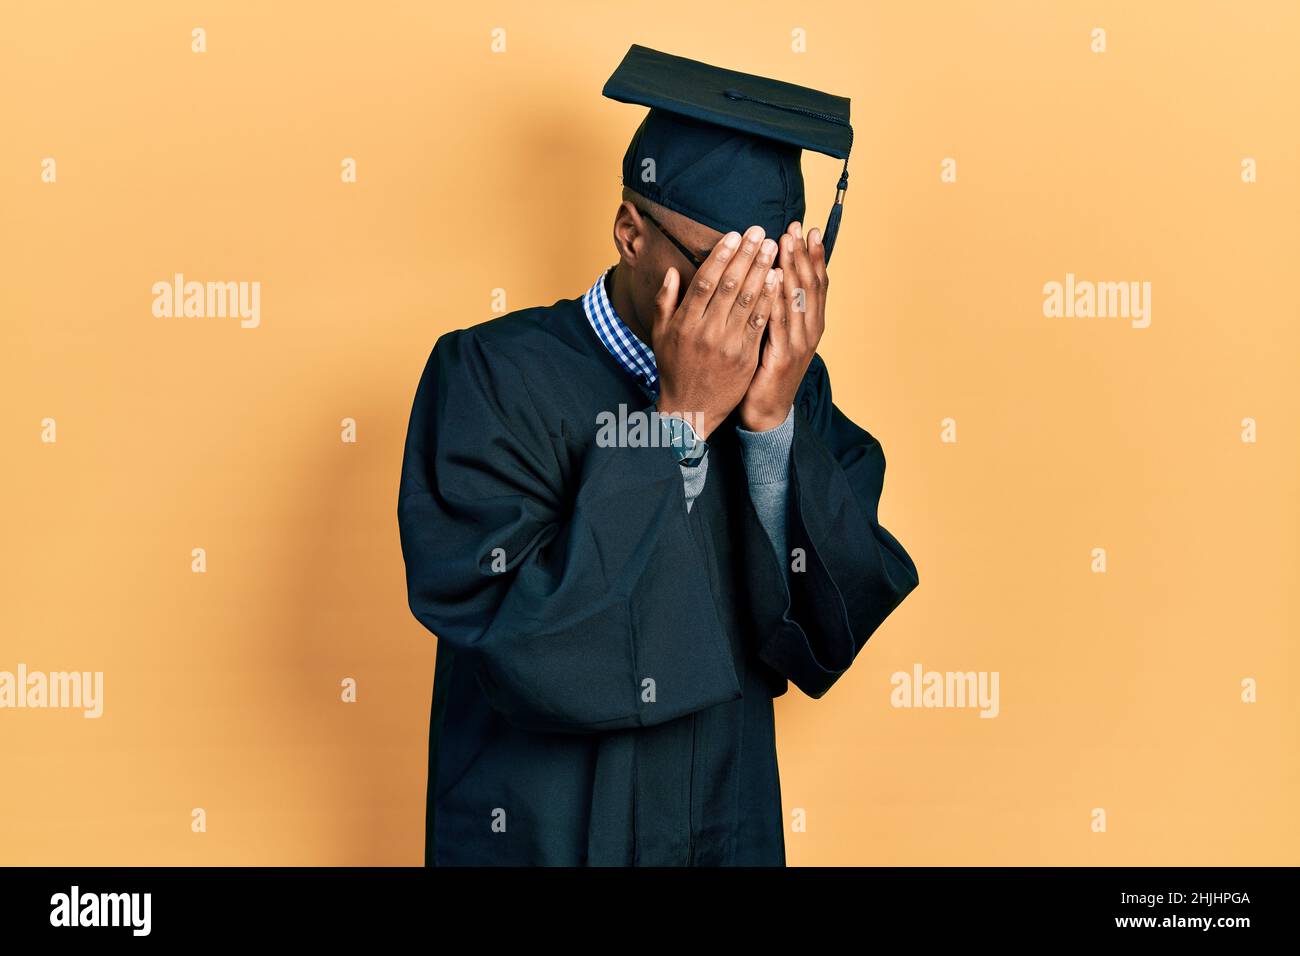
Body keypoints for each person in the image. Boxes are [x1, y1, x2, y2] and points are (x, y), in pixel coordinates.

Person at [396, 44, 919, 866]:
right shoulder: (490, 375)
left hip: (722, 825)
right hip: (543, 832)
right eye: (720, 271)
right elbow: (515, 638)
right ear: (631, 232)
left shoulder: (784, 383)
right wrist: (678, 420)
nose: (748, 308)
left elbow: (827, 624)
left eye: (773, 273)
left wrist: (771, 423)